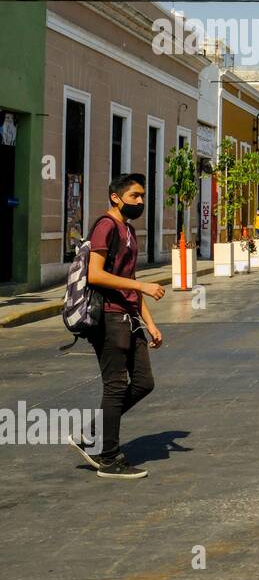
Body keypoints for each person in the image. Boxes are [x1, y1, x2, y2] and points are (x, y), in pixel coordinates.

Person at [68, 172, 165, 480]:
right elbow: (95, 274)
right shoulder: (106, 226)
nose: (140, 201)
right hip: (107, 317)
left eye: (142, 196)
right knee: (115, 386)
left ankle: (93, 432)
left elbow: (130, 281)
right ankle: (109, 457)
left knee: (143, 382)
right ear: (116, 197)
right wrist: (146, 288)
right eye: (135, 196)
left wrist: (149, 322)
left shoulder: (128, 230)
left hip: (129, 317)